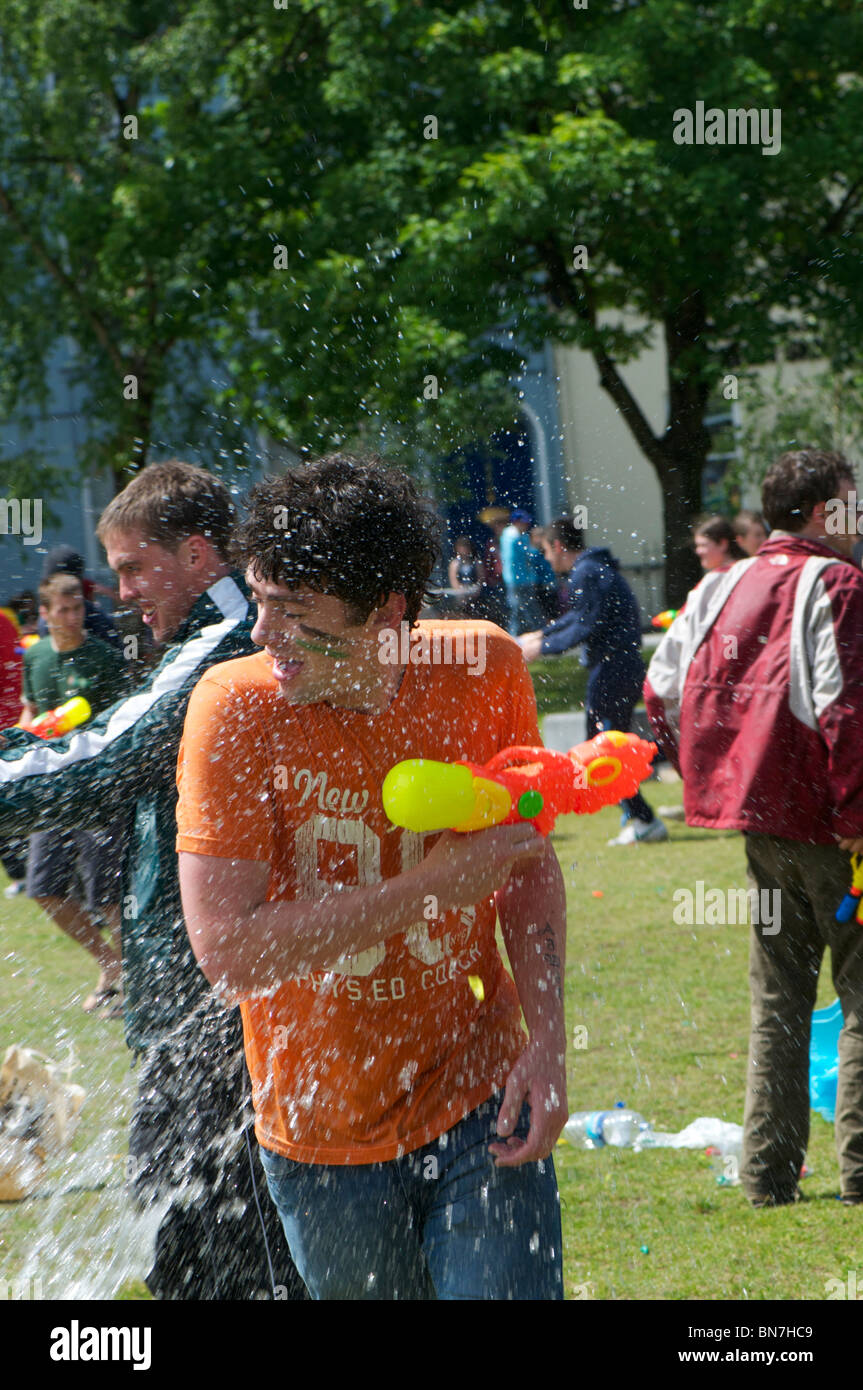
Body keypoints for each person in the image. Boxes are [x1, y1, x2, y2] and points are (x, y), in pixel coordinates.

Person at [176, 454, 567, 1301]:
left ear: (387, 612)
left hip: (479, 1097)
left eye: (295, 612)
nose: (261, 635)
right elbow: (228, 953)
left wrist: (547, 1041)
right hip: (320, 1136)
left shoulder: (482, 667)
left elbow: (525, 864)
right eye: (260, 600)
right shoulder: (233, 709)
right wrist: (428, 888)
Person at [0, 460, 304, 1300]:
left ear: (200, 553)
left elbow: (108, 761)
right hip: (195, 999)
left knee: (222, 1254)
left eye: (134, 567)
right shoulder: (208, 634)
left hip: (223, 1003)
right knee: (191, 1246)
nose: (120, 590)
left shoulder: (228, 639)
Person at [645, 449, 863, 1207]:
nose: (856, 512)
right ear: (814, 512)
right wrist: (855, 815)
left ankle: (767, 1176)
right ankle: (859, 1174)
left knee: (778, 996)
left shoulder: (718, 584)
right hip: (834, 829)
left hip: (759, 828)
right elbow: (845, 711)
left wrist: (714, 776)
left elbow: (660, 690)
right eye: (847, 500)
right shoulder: (836, 582)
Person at [518, 517, 666, 846]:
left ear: (558, 546)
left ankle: (644, 818)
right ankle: (637, 812)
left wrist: (541, 648)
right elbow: (578, 616)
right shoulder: (593, 568)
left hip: (614, 669)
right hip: (619, 668)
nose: (545, 557)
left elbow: (586, 625)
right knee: (606, 743)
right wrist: (543, 633)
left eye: (545, 550)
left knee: (603, 749)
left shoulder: (586, 572)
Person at [20, 573, 130, 1012]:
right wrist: (28, 732)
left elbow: (124, 721)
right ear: (44, 615)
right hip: (50, 792)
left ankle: (131, 981)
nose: (71, 619)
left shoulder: (103, 657)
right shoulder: (37, 656)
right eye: (61, 611)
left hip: (97, 791)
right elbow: (31, 709)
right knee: (44, 889)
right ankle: (111, 965)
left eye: (77, 609)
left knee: (108, 896)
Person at [37, 545, 121, 648]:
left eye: (77, 608)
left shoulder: (97, 620)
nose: (72, 617)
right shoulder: (98, 618)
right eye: (63, 610)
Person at [500, 508, 544, 635]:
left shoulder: (521, 536)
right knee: (519, 608)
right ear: (516, 522)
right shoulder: (512, 537)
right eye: (523, 522)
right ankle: (517, 634)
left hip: (523, 578)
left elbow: (526, 557)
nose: (526, 525)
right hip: (516, 580)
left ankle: (535, 632)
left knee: (525, 607)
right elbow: (519, 557)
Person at [476, 506, 509, 627]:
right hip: (497, 579)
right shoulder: (492, 542)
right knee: (500, 606)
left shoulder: (508, 539)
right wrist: (489, 578)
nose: (498, 528)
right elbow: (488, 562)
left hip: (508, 578)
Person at [447, 535, 484, 614]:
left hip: (473, 591)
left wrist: (476, 590)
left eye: (466, 547)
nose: (464, 550)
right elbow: (453, 580)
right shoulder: (455, 563)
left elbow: (481, 578)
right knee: (460, 606)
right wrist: (460, 590)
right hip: (460, 593)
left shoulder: (476, 562)